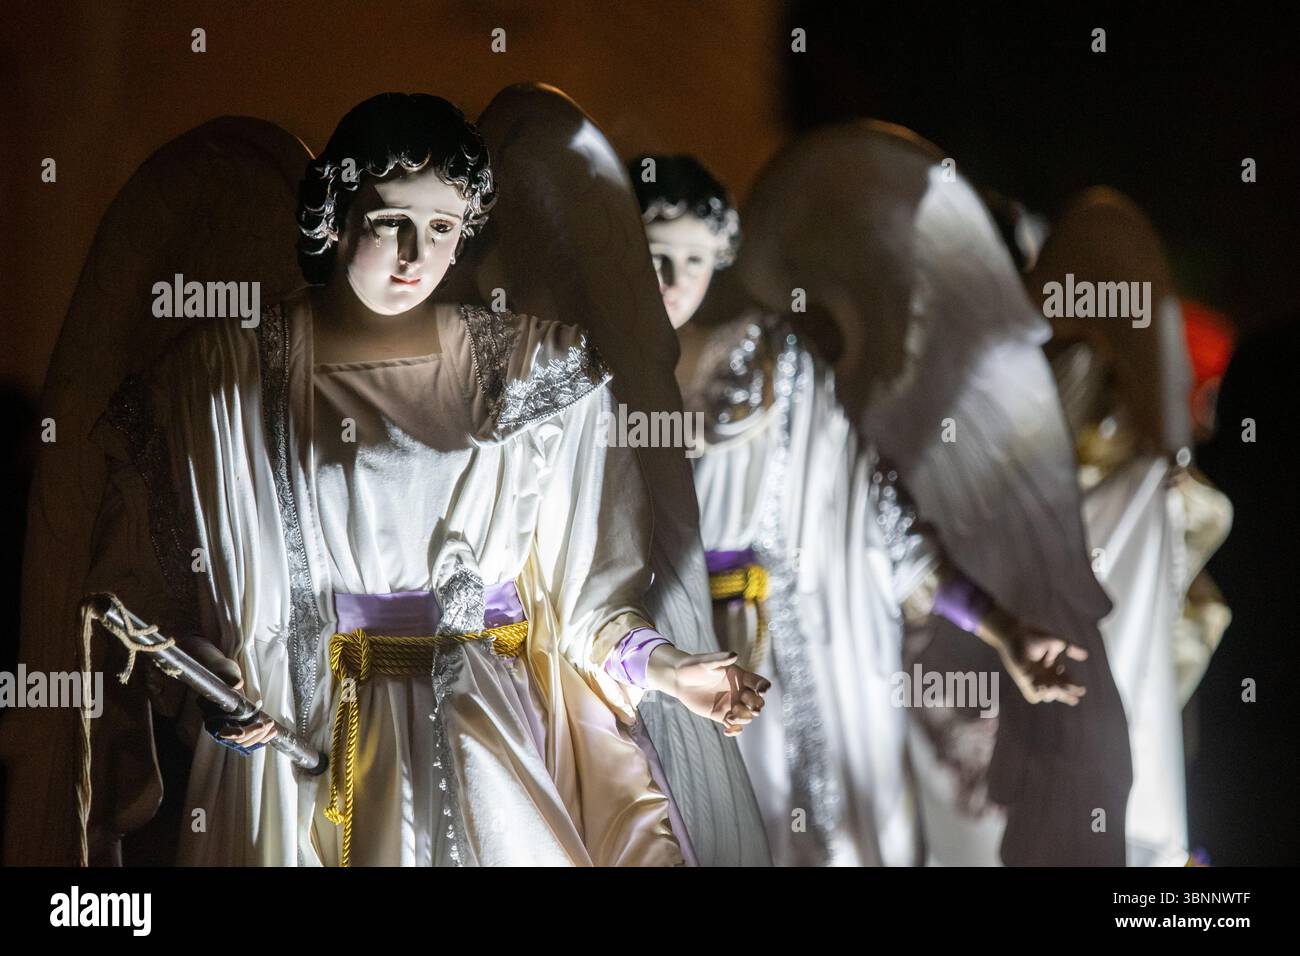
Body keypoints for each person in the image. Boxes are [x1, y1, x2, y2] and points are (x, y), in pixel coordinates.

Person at [32, 94, 772, 867]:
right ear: (335, 214)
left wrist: (671, 669)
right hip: (309, 749)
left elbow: (589, 601)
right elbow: (144, 586)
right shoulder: (228, 380)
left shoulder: (531, 374)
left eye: (443, 227)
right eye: (391, 222)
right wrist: (204, 672)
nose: (416, 255)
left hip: (486, 737)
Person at [628, 153, 1092, 866]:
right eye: (657, 255)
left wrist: (1002, 630)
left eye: (694, 258)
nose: (674, 280)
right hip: (627, 652)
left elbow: (877, 515)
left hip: (742, 651)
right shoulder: (577, 372)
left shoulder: (767, 366)